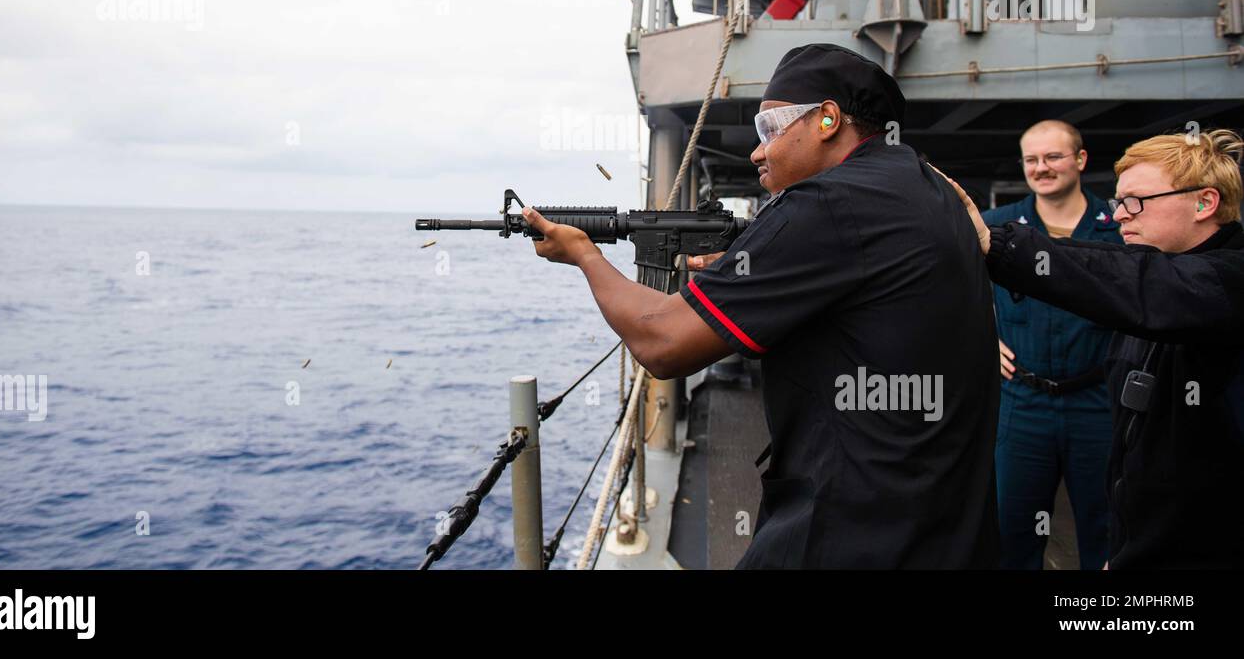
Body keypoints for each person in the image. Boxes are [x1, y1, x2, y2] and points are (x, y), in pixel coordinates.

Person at [523, 44, 1000, 568]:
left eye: (770, 129)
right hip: (947, 522)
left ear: (827, 120)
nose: (756, 151)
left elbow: (662, 342)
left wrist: (584, 255)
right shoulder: (932, 189)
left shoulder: (823, 203)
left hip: (854, 529)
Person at [940, 128, 1244, 569]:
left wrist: (999, 246)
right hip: (1035, 408)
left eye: (1137, 201)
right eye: (1120, 202)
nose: (1121, 215)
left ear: (1204, 202)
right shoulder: (1153, 283)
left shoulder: (1224, 281)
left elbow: (1142, 284)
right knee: (1015, 523)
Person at [982, 120, 1120, 570]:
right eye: (1032, 160)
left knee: (1109, 527)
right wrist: (981, 337)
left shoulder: (1118, 228)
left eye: (1053, 157)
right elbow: (944, 290)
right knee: (1013, 529)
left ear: (1080, 160)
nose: (1042, 168)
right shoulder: (995, 229)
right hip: (1022, 404)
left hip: (1099, 402)